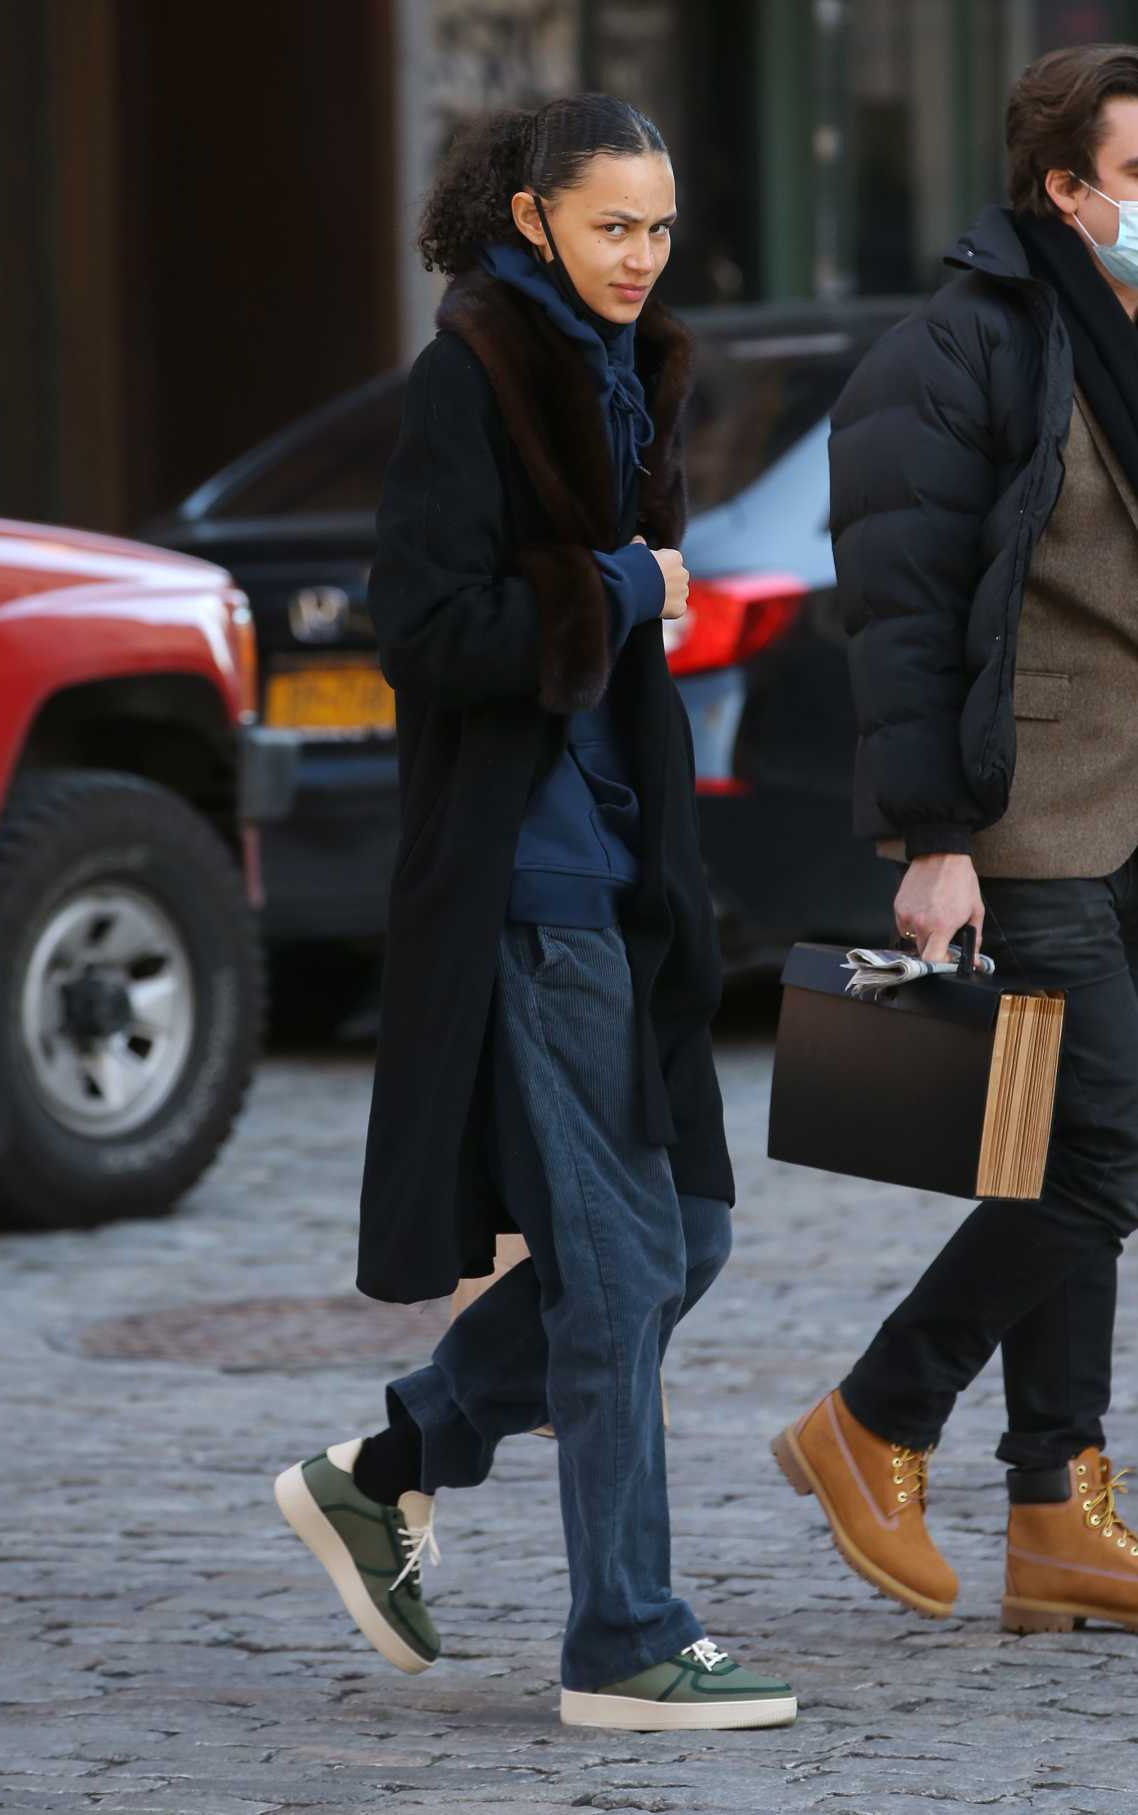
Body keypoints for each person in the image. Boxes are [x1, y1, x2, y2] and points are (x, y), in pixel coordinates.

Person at [274, 94, 796, 1732]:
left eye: (653, 226)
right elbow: (426, 629)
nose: (638, 254)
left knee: (681, 1234)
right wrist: (623, 591)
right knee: (627, 1260)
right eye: (608, 225)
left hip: (625, 875)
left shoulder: (620, 373)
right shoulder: (476, 373)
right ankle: (623, 1638)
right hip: (529, 877)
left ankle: (393, 1463)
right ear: (530, 221)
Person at [772, 42, 1138, 1638]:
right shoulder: (966, 349)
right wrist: (930, 837)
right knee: (1111, 1147)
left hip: (1133, 811)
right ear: (1067, 189)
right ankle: (873, 1418)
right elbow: (906, 610)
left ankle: (1057, 1510)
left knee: (1075, 1156)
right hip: (1027, 814)